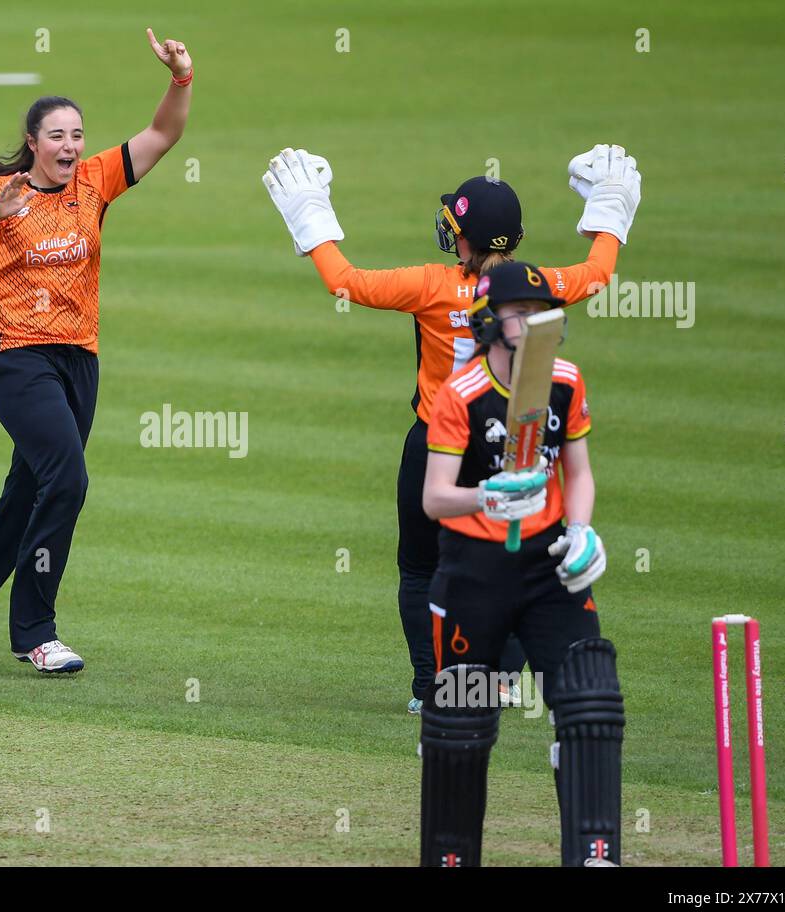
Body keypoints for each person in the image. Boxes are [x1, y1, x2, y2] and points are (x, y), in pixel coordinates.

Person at [263, 145, 640, 713]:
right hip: (511, 446)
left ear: (463, 239)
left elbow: (346, 282)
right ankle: (503, 681)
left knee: (420, 568)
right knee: (513, 561)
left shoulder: (431, 285)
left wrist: (310, 215)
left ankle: (431, 686)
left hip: (436, 444)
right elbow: (598, 272)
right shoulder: (535, 287)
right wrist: (609, 212)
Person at [0, 29, 193, 673]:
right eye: (58, 137)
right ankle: (35, 633)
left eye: (76, 135)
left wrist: (181, 78)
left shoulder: (95, 180)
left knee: (27, 494)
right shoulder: (4, 193)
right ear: (34, 144)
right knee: (66, 479)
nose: (71, 146)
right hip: (16, 357)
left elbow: (161, 137)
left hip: (80, 358)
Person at [417, 260, 622, 866]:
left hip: (547, 565)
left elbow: (577, 472)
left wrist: (582, 530)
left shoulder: (564, 379)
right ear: (490, 320)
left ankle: (595, 853)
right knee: (460, 718)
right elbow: (434, 498)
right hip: (474, 569)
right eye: (519, 313)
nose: (531, 323)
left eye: (540, 313)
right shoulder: (463, 395)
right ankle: (451, 859)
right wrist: (487, 495)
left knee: (590, 700)